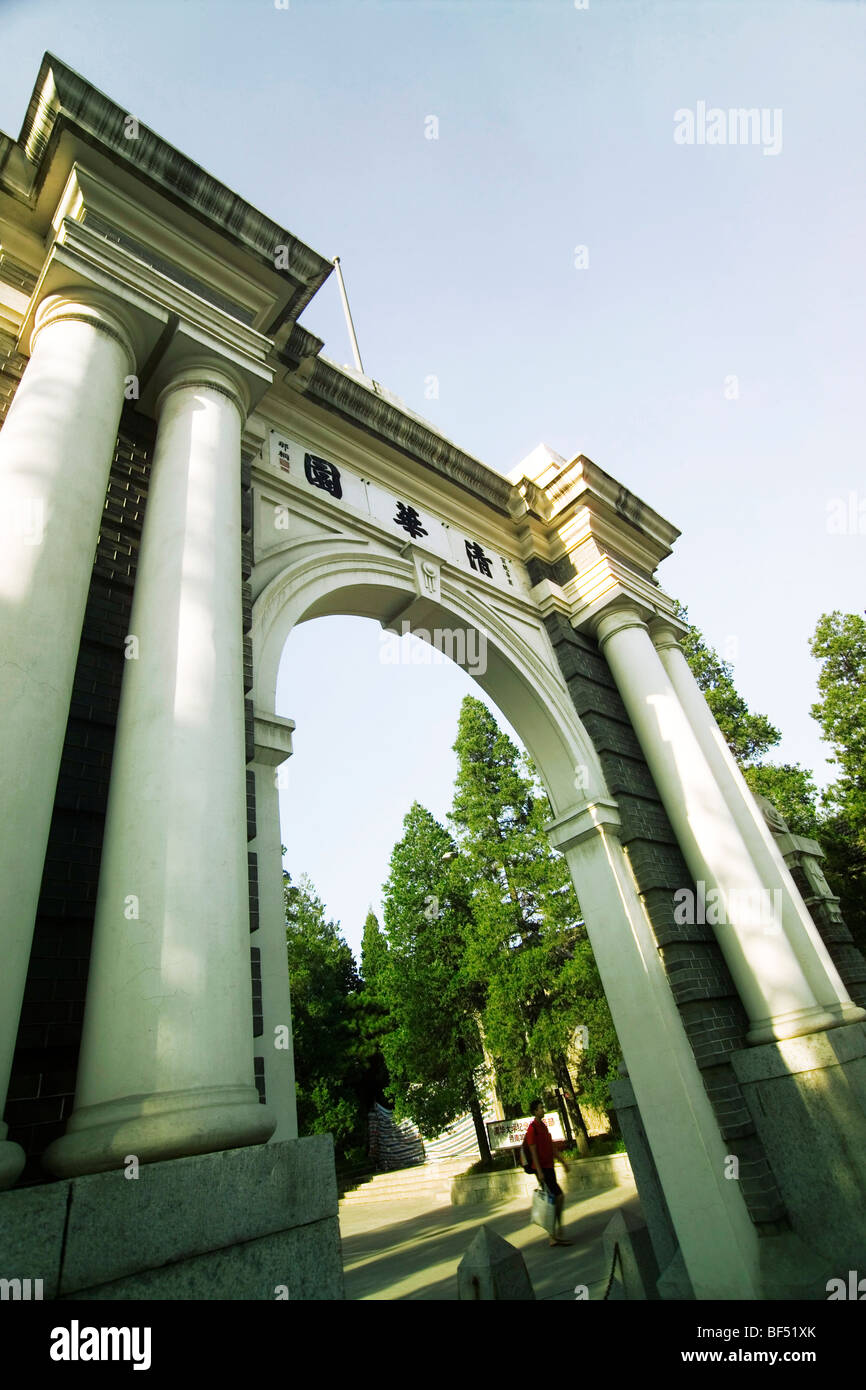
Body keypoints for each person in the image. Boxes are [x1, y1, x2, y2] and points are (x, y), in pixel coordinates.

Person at [524, 1099, 571, 1246]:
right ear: (534, 1112)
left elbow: (551, 1147)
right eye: (540, 1108)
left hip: (549, 1167)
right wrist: (539, 1171)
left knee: (556, 1199)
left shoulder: (543, 1127)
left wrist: (562, 1162)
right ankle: (553, 1234)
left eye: (542, 1107)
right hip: (542, 1169)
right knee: (556, 1198)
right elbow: (533, 1150)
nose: (542, 1110)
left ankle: (554, 1232)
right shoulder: (532, 1129)